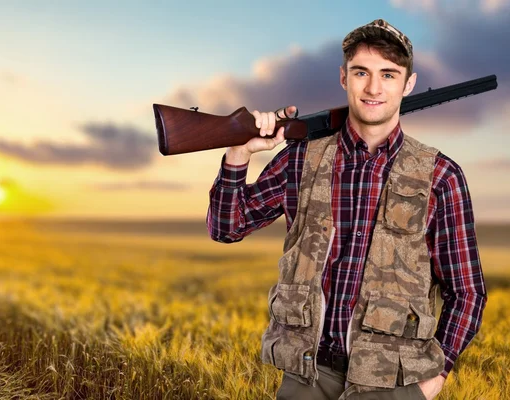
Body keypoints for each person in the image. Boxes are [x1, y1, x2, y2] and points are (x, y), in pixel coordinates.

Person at [206, 19, 487, 400]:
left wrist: (433, 379)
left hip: (393, 385)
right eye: (361, 72)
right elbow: (227, 227)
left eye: (388, 75)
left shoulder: (440, 175)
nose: (373, 88)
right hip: (308, 376)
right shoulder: (301, 159)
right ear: (344, 78)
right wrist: (239, 152)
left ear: (408, 84)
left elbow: (467, 291)